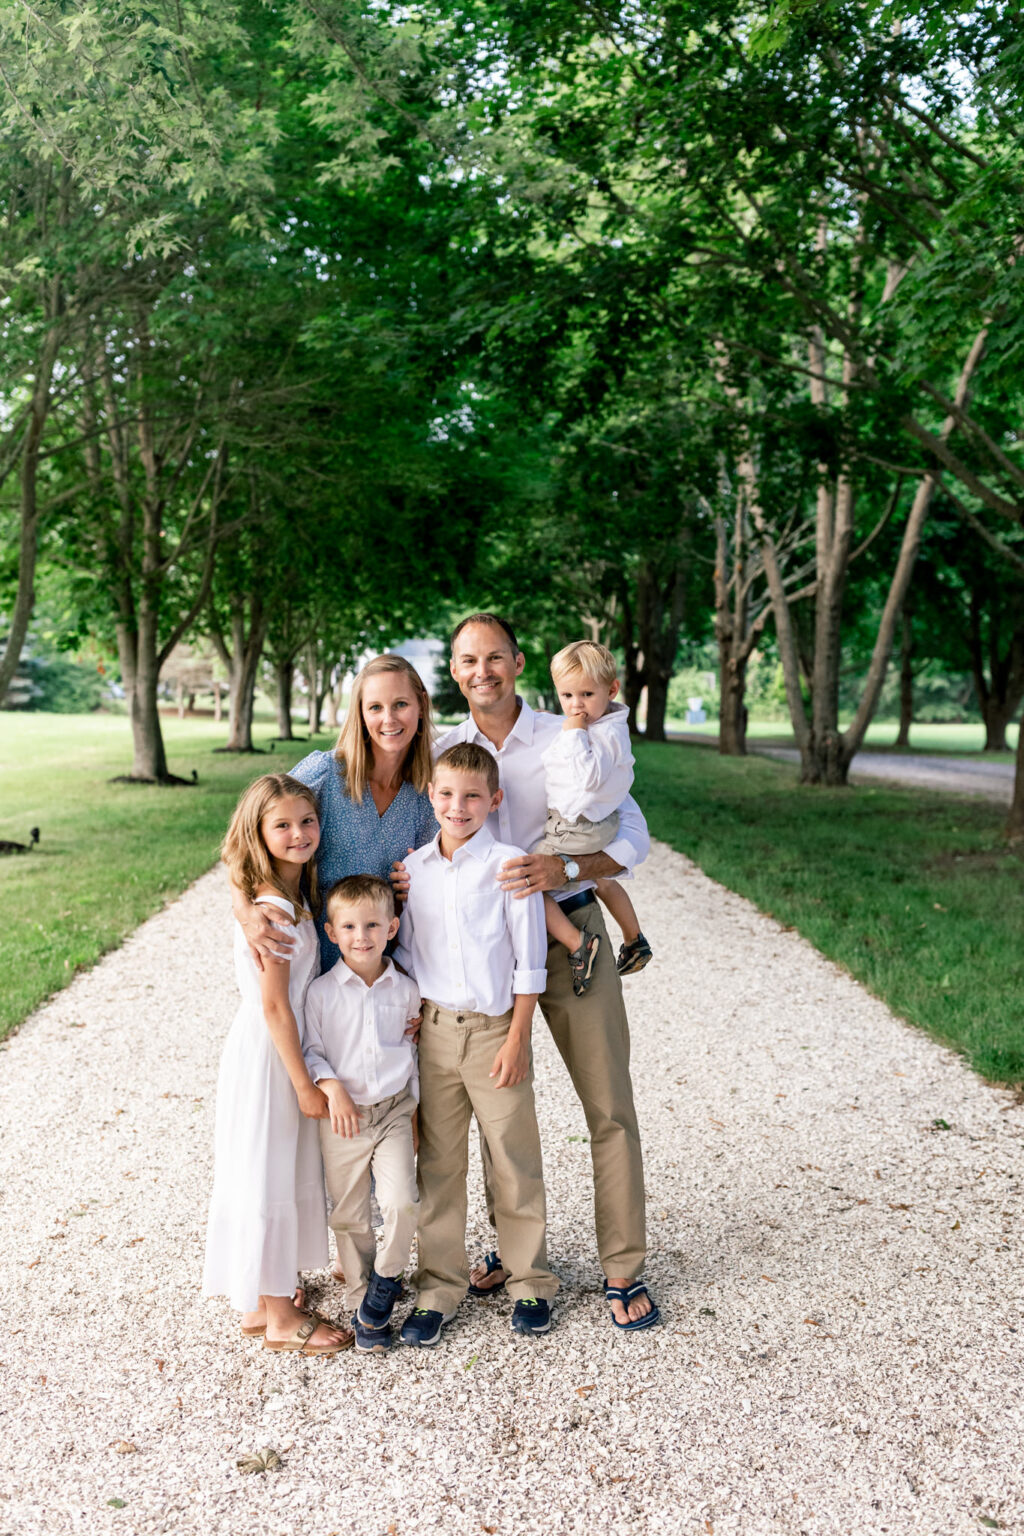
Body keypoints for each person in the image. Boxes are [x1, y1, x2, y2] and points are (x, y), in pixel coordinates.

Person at [437, 614, 659, 1331]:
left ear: (519, 661)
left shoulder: (569, 731)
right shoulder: (443, 749)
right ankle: (511, 1249)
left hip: (572, 938)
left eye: (495, 657)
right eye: (468, 660)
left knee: (609, 1106)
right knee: (498, 1114)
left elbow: (632, 835)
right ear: (453, 669)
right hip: (488, 954)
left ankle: (623, 1265)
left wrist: (563, 867)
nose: (483, 671)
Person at [393, 742, 559, 1347]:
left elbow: (529, 961)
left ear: (494, 800)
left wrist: (519, 1037)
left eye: (471, 796)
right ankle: (439, 1287)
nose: (457, 806)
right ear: (430, 798)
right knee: (438, 1166)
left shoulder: (510, 865)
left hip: (496, 1033)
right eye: (445, 794)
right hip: (434, 1033)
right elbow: (409, 954)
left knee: (513, 1159)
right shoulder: (414, 872)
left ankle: (530, 1281)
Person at [203, 774, 351, 1356]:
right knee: (272, 1169)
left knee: (262, 1166)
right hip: (272, 1052)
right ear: (259, 834)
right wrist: (303, 1083)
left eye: (307, 821)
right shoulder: (275, 910)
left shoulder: (281, 897)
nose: (298, 833)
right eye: (282, 825)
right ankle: (283, 1319)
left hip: (262, 1044)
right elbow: (274, 1004)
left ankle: (259, 1300)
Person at [234, 653, 438, 974]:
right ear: (360, 712)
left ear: (421, 705)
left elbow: (431, 878)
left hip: (383, 970)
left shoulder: (426, 794)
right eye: (375, 707)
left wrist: (415, 883)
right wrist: (245, 910)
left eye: (401, 704)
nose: (389, 719)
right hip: (318, 967)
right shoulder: (327, 772)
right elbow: (247, 834)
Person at [301, 875, 421, 1354]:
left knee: (401, 1202)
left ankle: (387, 1280)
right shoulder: (321, 994)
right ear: (332, 933)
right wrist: (332, 1089)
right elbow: (312, 1050)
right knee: (349, 1215)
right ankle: (361, 1299)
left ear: (392, 927)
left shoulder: (408, 991)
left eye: (373, 924)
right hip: (343, 1117)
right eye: (349, 926)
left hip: (393, 1111)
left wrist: (414, 1115)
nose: (362, 936)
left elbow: (413, 1054)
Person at [535, 639, 653, 993]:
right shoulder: (603, 725)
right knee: (601, 879)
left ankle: (577, 943)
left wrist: (572, 734)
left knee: (527, 880)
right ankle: (635, 939)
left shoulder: (606, 735)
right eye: (567, 696)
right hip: (594, 822)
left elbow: (587, 778)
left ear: (612, 689)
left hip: (577, 825)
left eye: (586, 694)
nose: (576, 706)